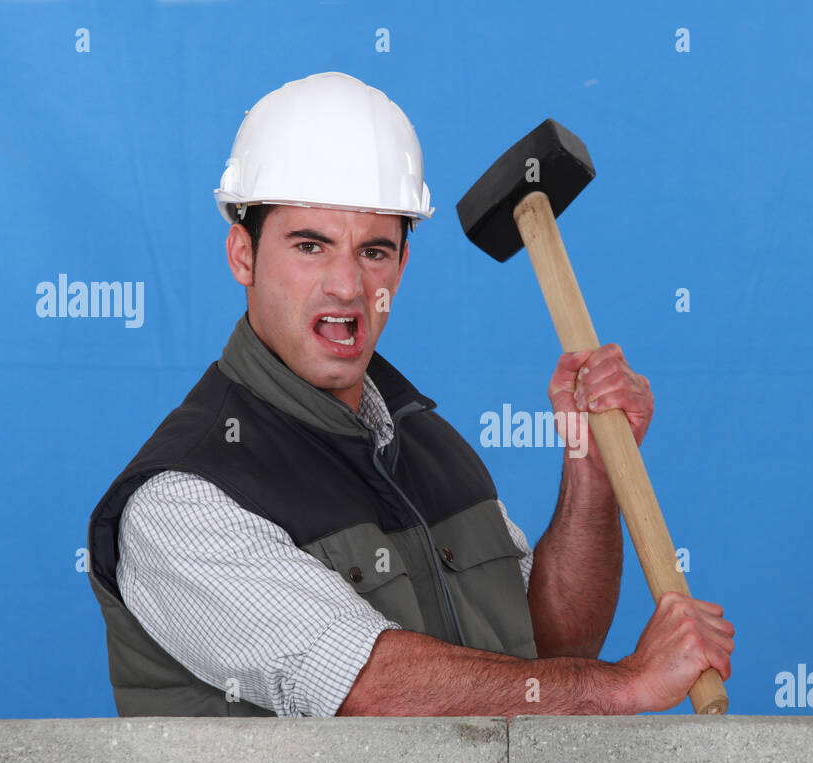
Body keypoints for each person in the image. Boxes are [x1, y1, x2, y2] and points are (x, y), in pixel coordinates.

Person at [86, 71, 734, 719]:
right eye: (310, 246)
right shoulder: (185, 496)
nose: (346, 285)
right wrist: (621, 685)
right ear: (243, 255)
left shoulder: (428, 446)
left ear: (401, 265)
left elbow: (544, 659)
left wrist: (592, 473)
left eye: (374, 252)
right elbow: (370, 687)